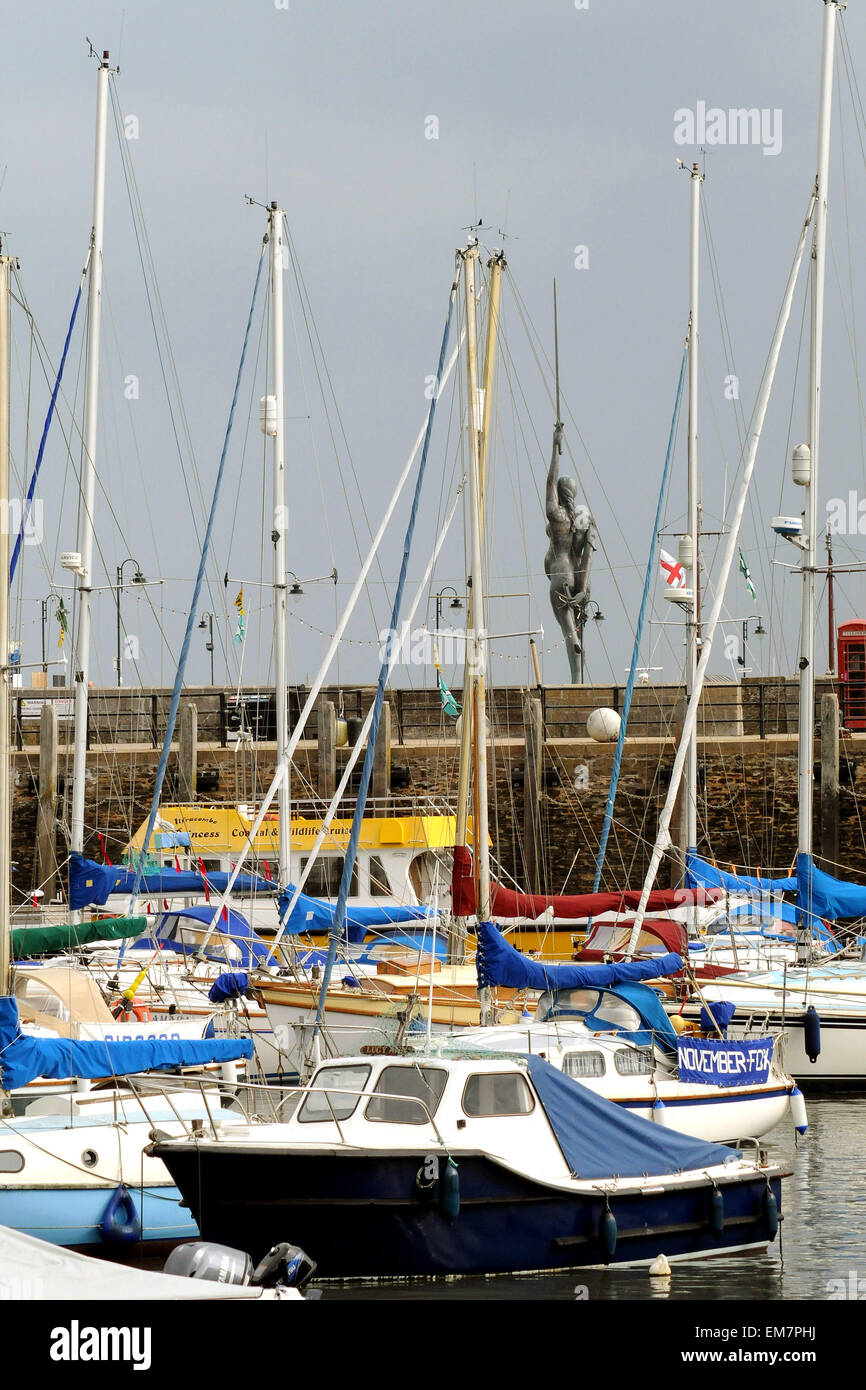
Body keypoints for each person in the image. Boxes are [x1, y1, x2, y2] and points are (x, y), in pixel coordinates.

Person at [544, 423, 594, 682]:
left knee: (568, 632)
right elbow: (587, 553)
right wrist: (583, 589)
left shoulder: (557, 516)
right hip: (575, 578)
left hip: (559, 576)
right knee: (574, 627)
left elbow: (550, 480)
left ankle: (576, 678)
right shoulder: (579, 521)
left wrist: (555, 446)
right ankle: (578, 675)